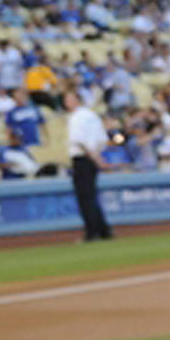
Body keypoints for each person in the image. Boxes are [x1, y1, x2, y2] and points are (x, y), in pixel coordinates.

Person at [63, 86, 113, 241]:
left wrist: (94, 157)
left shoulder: (76, 117)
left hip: (82, 158)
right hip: (92, 158)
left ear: (77, 100)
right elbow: (102, 139)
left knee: (85, 197)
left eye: (69, 99)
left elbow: (79, 141)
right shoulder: (92, 115)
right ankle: (103, 230)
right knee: (92, 196)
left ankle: (92, 232)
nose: (66, 102)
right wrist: (97, 157)